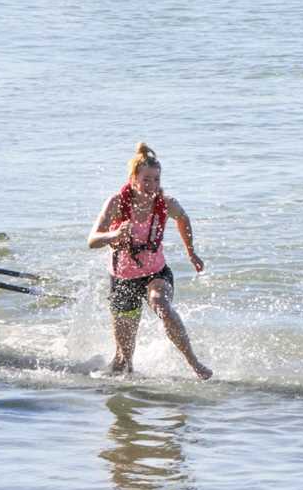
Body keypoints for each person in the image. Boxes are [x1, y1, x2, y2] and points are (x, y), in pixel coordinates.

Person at [87, 141, 212, 380]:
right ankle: (117, 374)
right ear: (134, 178)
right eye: (146, 180)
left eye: (156, 180)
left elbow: (183, 218)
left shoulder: (166, 203)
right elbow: (92, 240)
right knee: (124, 361)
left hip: (156, 273)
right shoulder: (116, 203)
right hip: (123, 279)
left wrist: (191, 252)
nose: (152, 185)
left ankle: (195, 364)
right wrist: (113, 235)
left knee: (162, 305)